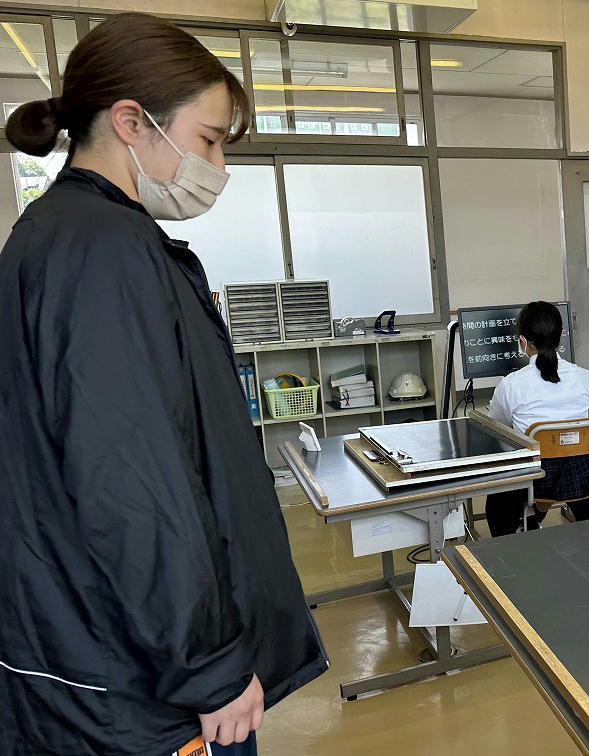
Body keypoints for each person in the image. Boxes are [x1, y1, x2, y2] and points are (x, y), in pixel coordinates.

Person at [0, 14, 327, 756]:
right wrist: (208, 665)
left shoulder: (68, 236)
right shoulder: (100, 253)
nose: (217, 164)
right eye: (209, 140)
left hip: (108, 656)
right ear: (130, 122)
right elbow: (131, 478)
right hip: (141, 686)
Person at [485, 301, 589, 536]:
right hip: (586, 475)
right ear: (561, 337)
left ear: (523, 341)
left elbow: (497, 426)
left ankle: (509, 541)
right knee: (580, 466)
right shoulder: (583, 376)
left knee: (497, 502)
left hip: (534, 478)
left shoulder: (511, 385)